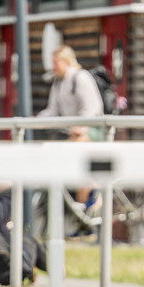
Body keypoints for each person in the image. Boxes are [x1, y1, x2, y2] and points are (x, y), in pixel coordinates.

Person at [37, 45, 105, 210]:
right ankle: (85, 217)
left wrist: (81, 125)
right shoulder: (58, 82)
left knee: (76, 158)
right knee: (79, 172)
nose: (53, 67)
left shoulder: (80, 77)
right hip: (74, 132)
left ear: (67, 61)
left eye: (56, 62)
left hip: (92, 130)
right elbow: (53, 109)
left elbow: (92, 106)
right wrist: (37, 120)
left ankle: (95, 194)